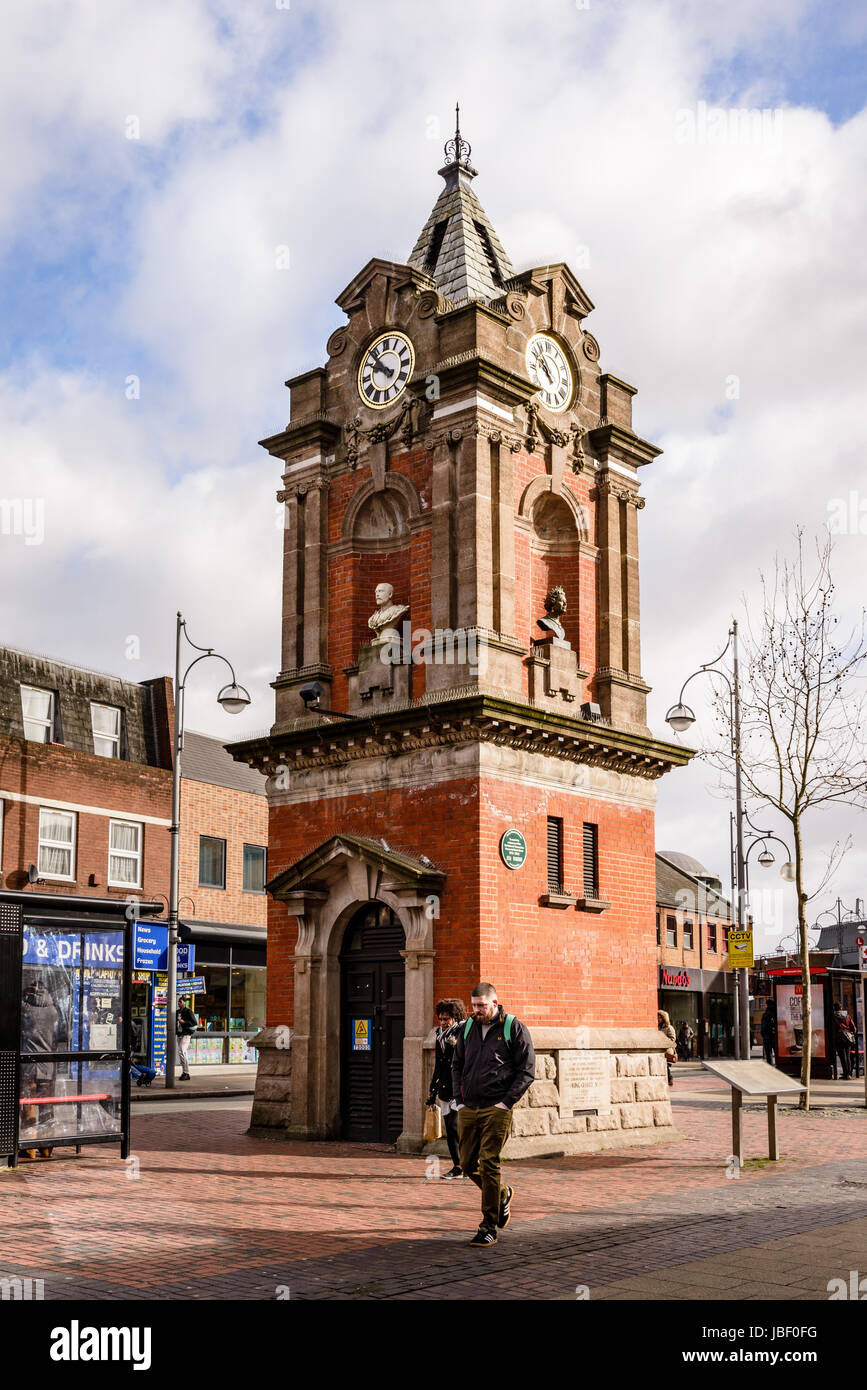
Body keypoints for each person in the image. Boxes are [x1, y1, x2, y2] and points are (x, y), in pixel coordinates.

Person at [451, 982, 535, 1247]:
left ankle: (488, 1227)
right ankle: (501, 1193)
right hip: (469, 1107)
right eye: (474, 1005)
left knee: (488, 1162)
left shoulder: (513, 1028)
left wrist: (506, 1102)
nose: (477, 1010)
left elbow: (527, 1070)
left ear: (495, 1003)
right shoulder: (467, 1028)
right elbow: (456, 1065)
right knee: (466, 1164)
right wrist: (459, 1100)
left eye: (482, 1005)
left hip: (496, 1108)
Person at [426, 998, 467, 1178]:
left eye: (446, 1019)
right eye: (440, 1019)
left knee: (457, 1127)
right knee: (450, 1129)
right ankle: (458, 1165)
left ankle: (465, 1165)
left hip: (459, 1089)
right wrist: (432, 1091)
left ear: (455, 1017)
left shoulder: (462, 1033)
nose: (442, 1023)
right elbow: (438, 1065)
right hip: (443, 1087)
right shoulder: (439, 1036)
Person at [176, 997, 198, 1081]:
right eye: (178, 1002)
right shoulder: (177, 1012)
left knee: (181, 1051)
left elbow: (194, 1023)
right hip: (179, 1034)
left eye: (180, 1002)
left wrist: (184, 1022)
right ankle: (186, 1072)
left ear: (184, 1002)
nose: (179, 1003)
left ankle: (185, 1072)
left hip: (186, 1034)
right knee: (184, 1053)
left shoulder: (188, 1011)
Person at [833, 1005, 857, 1080]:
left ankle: (846, 1075)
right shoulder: (847, 1016)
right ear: (841, 1008)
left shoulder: (834, 1017)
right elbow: (854, 1028)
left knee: (843, 1058)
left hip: (839, 1039)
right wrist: (851, 1034)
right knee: (848, 1057)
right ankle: (848, 1074)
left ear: (835, 1009)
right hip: (847, 1039)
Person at [658, 1009, 677, 1086]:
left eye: (659, 1017)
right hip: (659, 1050)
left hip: (667, 1050)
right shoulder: (658, 1027)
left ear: (663, 1018)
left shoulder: (669, 1028)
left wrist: (663, 1040)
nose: (658, 1019)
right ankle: (666, 1079)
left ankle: (670, 1078)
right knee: (662, 1066)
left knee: (665, 1065)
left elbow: (673, 1039)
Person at [760, 1001, 777, 1065]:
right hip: (775, 1036)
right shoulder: (777, 1013)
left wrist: (763, 1034)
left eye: (765, 1005)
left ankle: (770, 1065)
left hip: (767, 1036)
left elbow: (763, 1026)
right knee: (776, 1052)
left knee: (768, 1053)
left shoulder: (766, 1014)